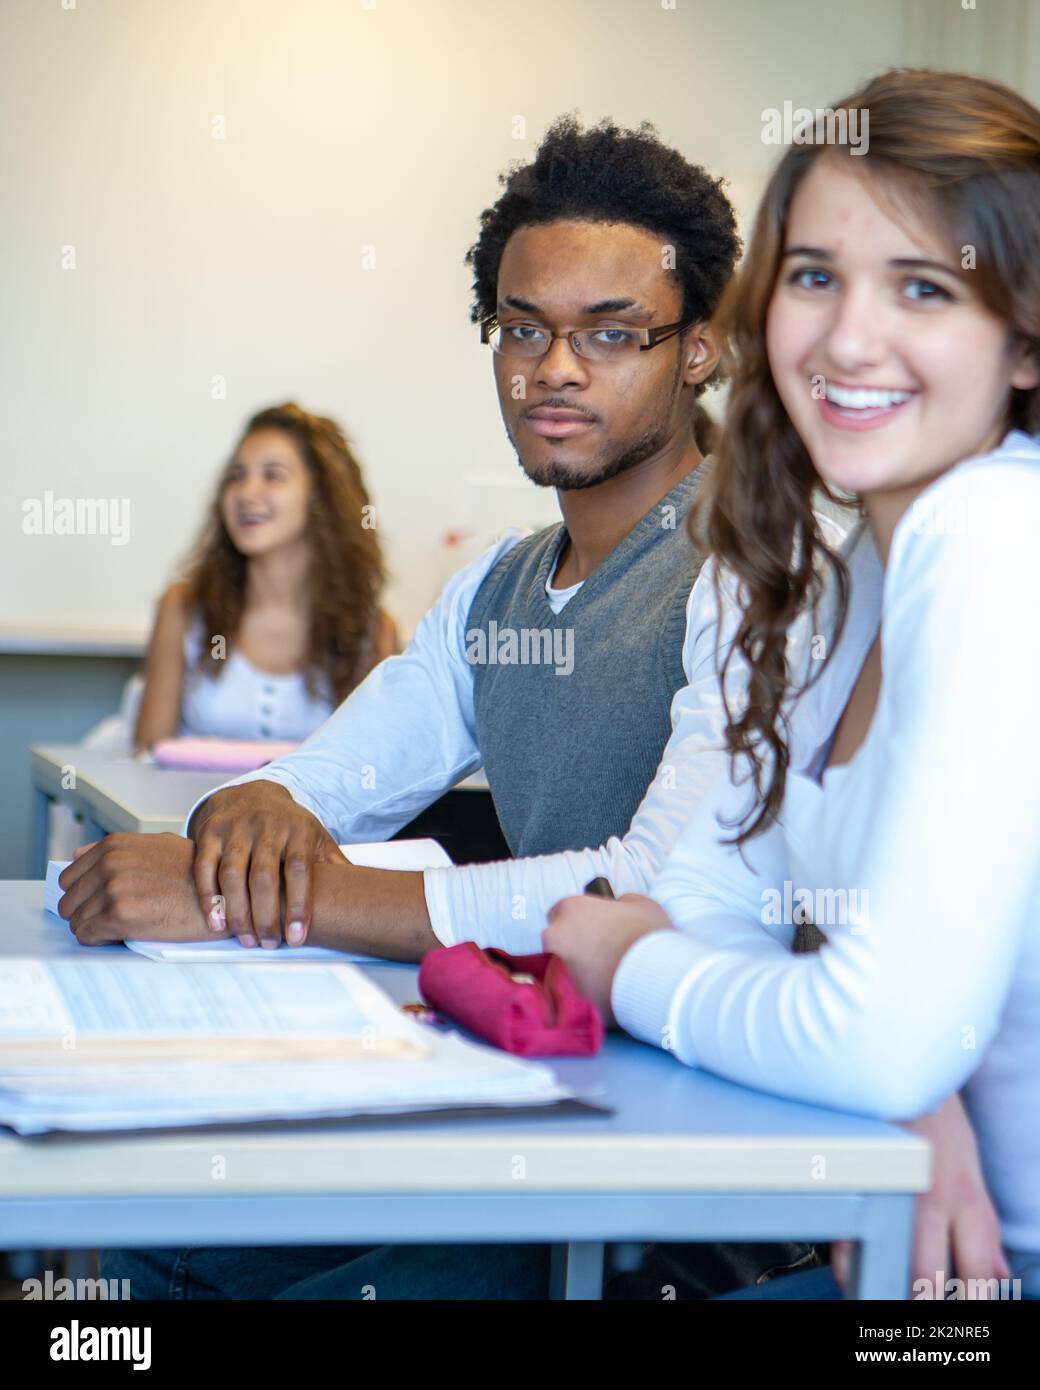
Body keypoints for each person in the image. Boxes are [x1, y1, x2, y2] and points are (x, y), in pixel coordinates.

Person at [84, 116, 816, 1299]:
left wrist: (293, 895)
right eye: (522, 327)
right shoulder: (500, 584)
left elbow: (651, 896)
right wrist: (245, 821)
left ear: (698, 350)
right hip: (537, 1082)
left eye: (609, 333)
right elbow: (317, 780)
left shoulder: (756, 564)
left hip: (697, 1157)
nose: (554, 368)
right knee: (145, 1263)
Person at [544, 68, 1040, 1300]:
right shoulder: (837, 575)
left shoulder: (991, 530)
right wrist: (908, 1085)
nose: (846, 338)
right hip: (915, 1257)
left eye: (922, 288)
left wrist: (628, 965)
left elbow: (853, 1023)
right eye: (814, 276)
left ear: (1023, 340)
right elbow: (713, 892)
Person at [133, 402, 397, 752]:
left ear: (322, 498)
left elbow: (375, 769)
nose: (246, 494)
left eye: (273, 476)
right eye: (236, 477)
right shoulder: (182, 609)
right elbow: (147, 756)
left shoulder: (373, 633)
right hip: (191, 809)